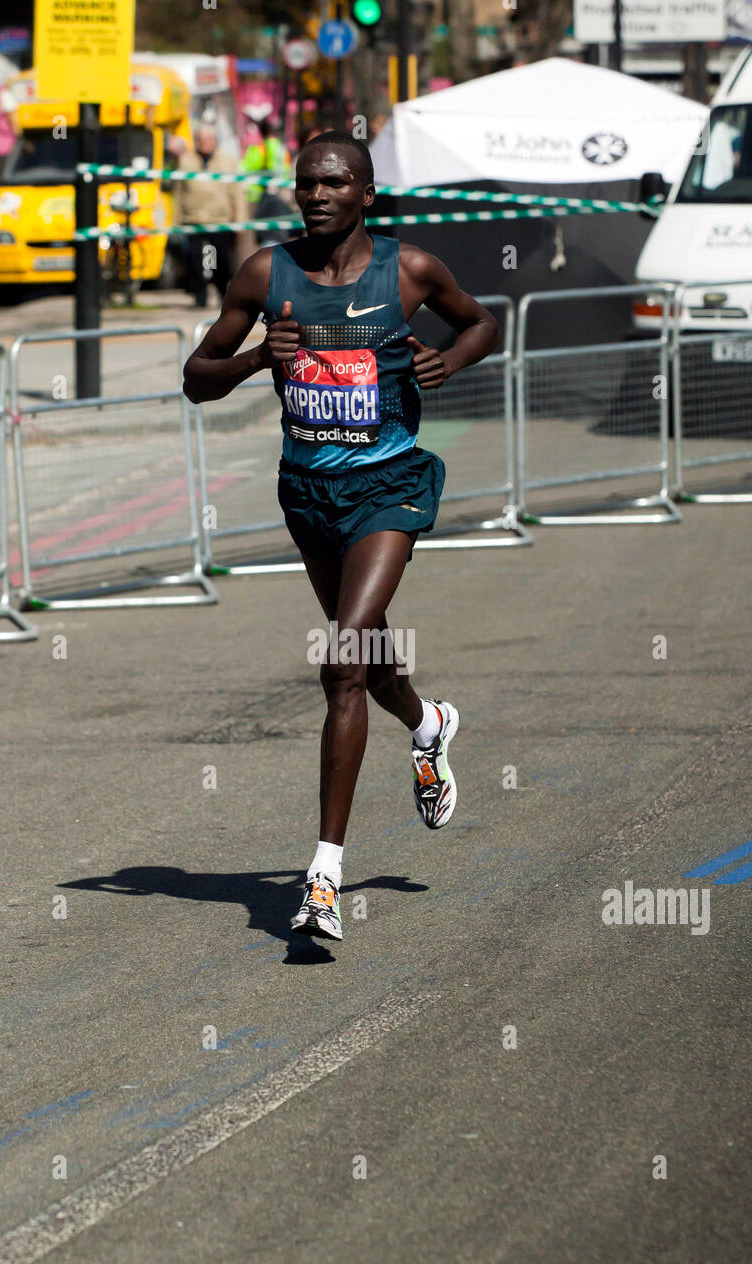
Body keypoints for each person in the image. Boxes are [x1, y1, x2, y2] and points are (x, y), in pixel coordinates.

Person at [183, 130, 499, 943]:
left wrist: (449, 364)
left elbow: (482, 324)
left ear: (364, 191)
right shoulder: (264, 271)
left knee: (343, 658)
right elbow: (195, 379)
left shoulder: (412, 269)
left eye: (332, 183)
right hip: (309, 492)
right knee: (369, 657)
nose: (315, 195)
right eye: (304, 184)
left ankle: (322, 876)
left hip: (389, 487)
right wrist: (259, 359)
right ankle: (428, 725)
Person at [176, 120, 247, 307]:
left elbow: (236, 192)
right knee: (195, 261)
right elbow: (178, 191)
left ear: (214, 140)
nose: (204, 142)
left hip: (220, 220)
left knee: (219, 261)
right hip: (193, 219)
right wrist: (176, 219)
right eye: (200, 138)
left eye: (208, 138)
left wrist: (239, 219)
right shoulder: (186, 160)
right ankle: (200, 297)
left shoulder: (226, 161)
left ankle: (222, 293)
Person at [239, 116, 294, 249]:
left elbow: (244, 169)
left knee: (263, 236)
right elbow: (286, 170)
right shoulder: (281, 148)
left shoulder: (256, 149)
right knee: (281, 234)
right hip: (279, 194)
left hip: (257, 197)